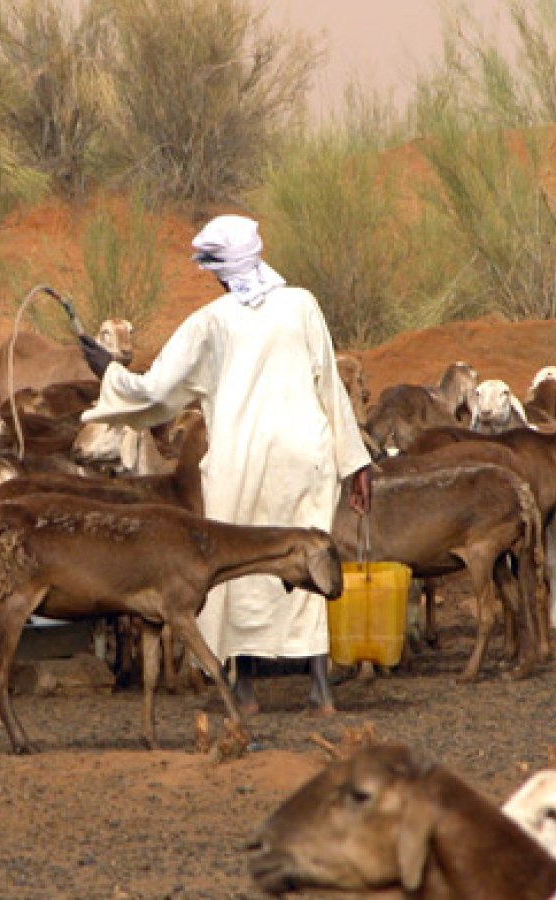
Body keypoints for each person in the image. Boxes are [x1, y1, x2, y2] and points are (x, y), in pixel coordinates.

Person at [77, 214, 372, 717]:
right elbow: (331, 389)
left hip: (242, 459)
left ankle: (247, 689)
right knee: (309, 554)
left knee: (240, 561)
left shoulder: (211, 321)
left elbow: (157, 391)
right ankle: (320, 689)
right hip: (305, 454)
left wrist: (110, 373)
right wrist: (356, 463)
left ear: (219, 267)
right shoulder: (301, 304)